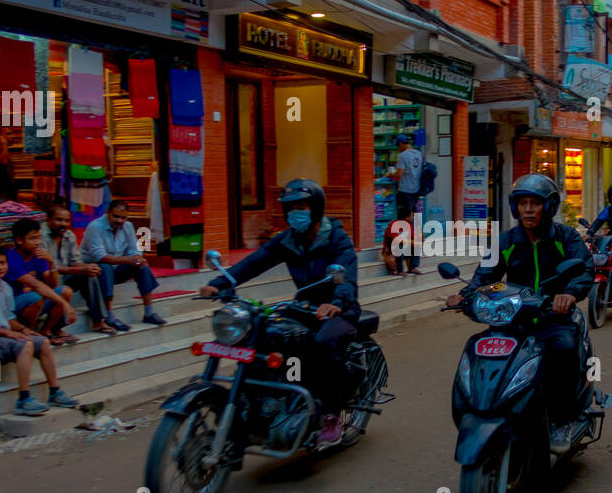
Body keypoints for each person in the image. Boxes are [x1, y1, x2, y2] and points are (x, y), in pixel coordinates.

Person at [198, 179, 360, 449]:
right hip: (302, 307)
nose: (296, 212)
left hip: (339, 308)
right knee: (264, 335)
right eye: (291, 207)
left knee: (323, 343)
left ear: (316, 209)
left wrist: (338, 301)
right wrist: (219, 283)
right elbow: (252, 263)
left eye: (302, 206)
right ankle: (264, 403)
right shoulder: (287, 240)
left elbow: (346, 273)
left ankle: (332, 416)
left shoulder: (337, 238)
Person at [446, 173, 593, 453]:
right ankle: (487, 408)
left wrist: (569, 294)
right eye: (522, 203)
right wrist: (464, 296)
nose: (527, 209)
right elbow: (484, 276)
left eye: (534, 204)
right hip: (512, 317)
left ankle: (560, 420)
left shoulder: (567, 237)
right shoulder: (504, 240)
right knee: (482, 349)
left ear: (548, 207)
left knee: (562, 347)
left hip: (553, 316)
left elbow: (583, 268)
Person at [0, 244, 79, 416]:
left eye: (3, 263)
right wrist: (8, 333)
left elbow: (8, 317)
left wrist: (23, 329)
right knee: (25, 345)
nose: (0, 267)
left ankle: (55, 392)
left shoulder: (4, 287)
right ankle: (23, 399)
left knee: (42, 342)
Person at [80, 199, 165, 330]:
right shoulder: (95, 227)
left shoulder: (128, 226)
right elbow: (100, 257)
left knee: (142, 265)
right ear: (107, 213)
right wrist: (128, 260)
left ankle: (149, 311)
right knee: (105, 267)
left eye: (123, 217)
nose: (119, 221)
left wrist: (137, 259)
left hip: (116, 269)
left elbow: (134, 250)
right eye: (116, 216)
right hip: (94, 272)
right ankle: (109, 316)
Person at [41, 203, 112, 336]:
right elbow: (48, 267)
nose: (64, 224)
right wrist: (77, 270)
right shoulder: (41, 236)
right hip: (47, 278)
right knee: (60, 282)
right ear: (48, 220)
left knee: (90, 275)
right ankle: (57, 328)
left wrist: (87, 268)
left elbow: (75, 262)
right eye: (59, 220)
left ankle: (98, 321)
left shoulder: (68, 235)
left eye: (67, 220)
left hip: (65, 275)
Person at [4, 218, 77, 345]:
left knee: (65, 291)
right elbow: (36, 285)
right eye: (33, 238)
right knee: (36, 297)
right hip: (15, 306)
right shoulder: (11, 259)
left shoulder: (37, 254)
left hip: (37, 302)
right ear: (19, 240)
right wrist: (65, 305)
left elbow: (53, 285)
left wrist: (51, 263)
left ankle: (46, 331)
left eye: (39, 238)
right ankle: (30, 332)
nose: (38, 242)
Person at [388, 133, 423, 275]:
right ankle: (413, 266)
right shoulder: (418, 154)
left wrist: (390, 175)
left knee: (401, 230)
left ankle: (401, 268)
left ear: (401, 143)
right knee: (413, 232)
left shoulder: (403, 156)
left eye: (398, 146)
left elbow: (399, 173)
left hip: (405, 191)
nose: (398, 148)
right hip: (415, 192)